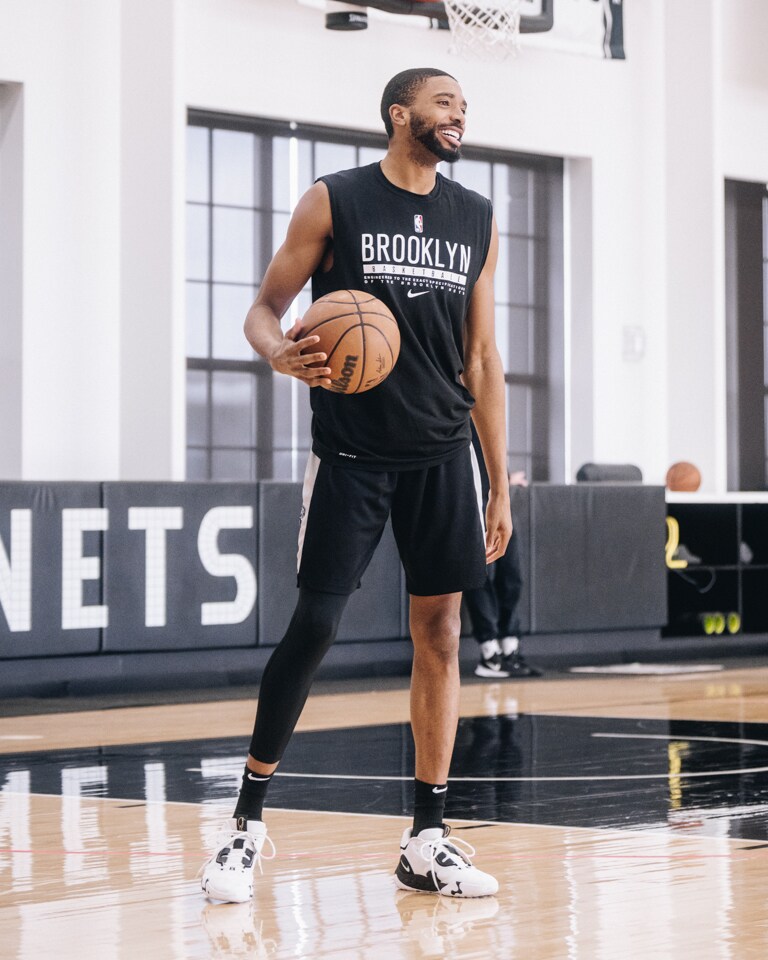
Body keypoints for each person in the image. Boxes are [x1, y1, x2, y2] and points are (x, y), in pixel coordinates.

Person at [201, 67, 511, 904]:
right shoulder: (335, 199)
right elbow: (265, 308)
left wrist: (498, 482)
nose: (459, 114)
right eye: (445, 101)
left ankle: (427, 838)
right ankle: (245, 827)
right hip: (352, 451)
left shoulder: (475, 217)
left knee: (442, 633)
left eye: (463, 105)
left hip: (443, 448)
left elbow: (482, 358)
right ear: (398, 113)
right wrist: (277, 351)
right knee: (317, 622)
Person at [465, 426, 540, 679]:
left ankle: (510, 648)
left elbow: (492, 454)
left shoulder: (488, 412)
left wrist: (506, 481)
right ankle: (490, 654)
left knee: (512, 576)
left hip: (498, 502)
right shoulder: (459, 411)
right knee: (482, 578)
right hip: (474, 504)